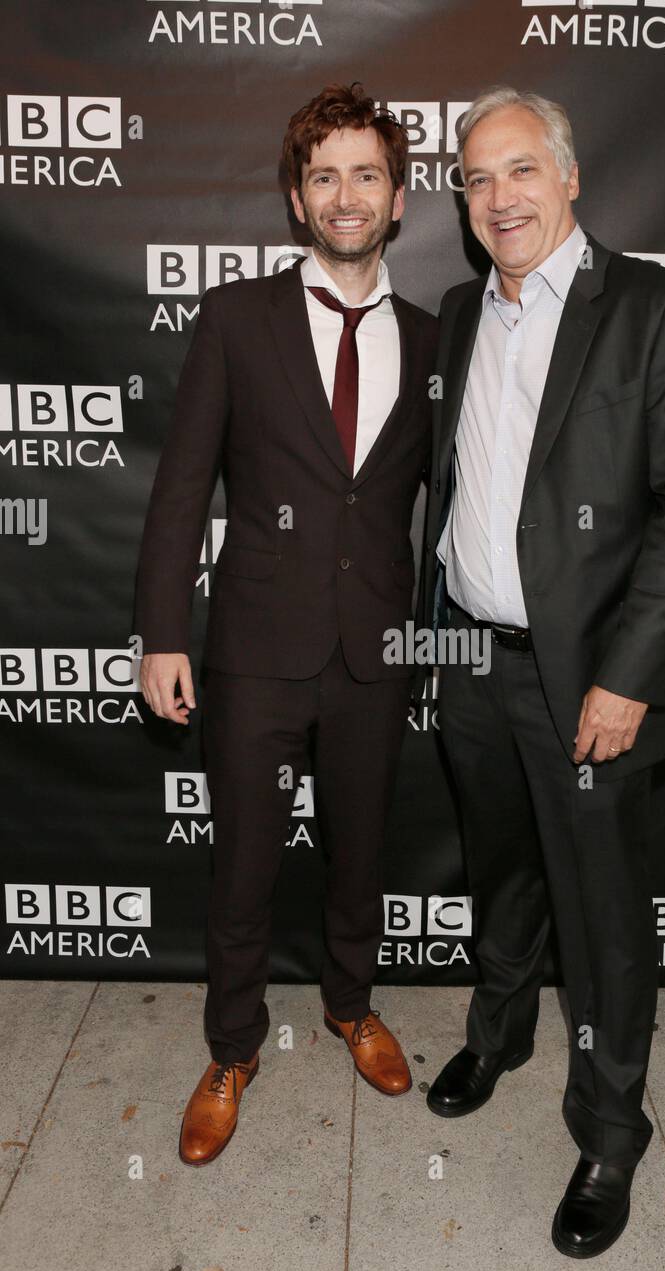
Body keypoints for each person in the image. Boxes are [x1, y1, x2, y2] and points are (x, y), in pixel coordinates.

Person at [418, 86, 665, 1257]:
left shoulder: (656, 309)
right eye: (476, 179)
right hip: (467, 659)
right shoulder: (455, 314)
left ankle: (609, 1131)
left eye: (518, 171)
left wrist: (626, 675)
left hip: (591, 682)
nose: (498, 197)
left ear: (568, 175)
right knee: (499, 874)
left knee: (600, 917)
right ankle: (497, 1033)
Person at [133, 82, 438, 1166]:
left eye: (366, 174)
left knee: (360, 856)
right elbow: (180, 488)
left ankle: (350, 1005)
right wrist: (162, 632)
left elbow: (448, 504)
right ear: (296, 199)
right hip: (254, 651)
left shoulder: (434, 338)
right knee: (245, 866)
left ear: (398, 197)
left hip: (376, 651)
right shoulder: (234, 318)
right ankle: (230, 1049)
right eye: (324, 177)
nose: (345, 196)